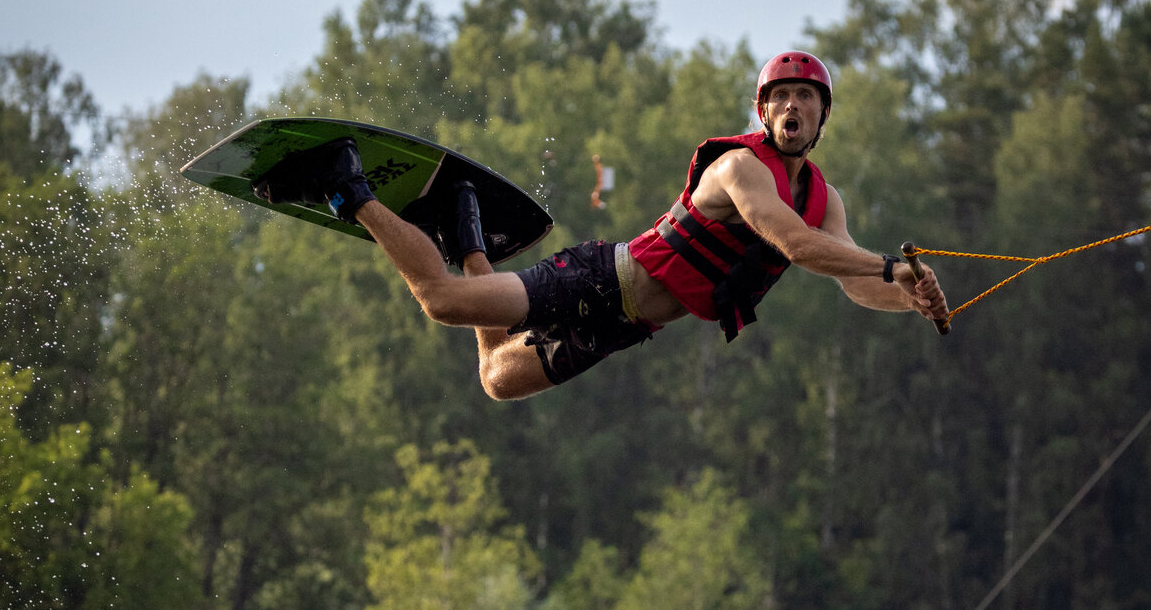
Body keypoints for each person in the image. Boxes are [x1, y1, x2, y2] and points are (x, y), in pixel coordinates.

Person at [295, 52, 950, 399]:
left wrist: (908, 297)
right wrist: (893, 266)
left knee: (497, 378)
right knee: (442, 303)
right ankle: (350, 187)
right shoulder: (741, 167)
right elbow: (795, 246)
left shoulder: (824, 200)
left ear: (822, 115)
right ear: (762, 112)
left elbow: (853, 279)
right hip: (601, 280)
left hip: (624, 325)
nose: (791, 104)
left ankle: (464, 227)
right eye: (780, 96)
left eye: (805, 96)